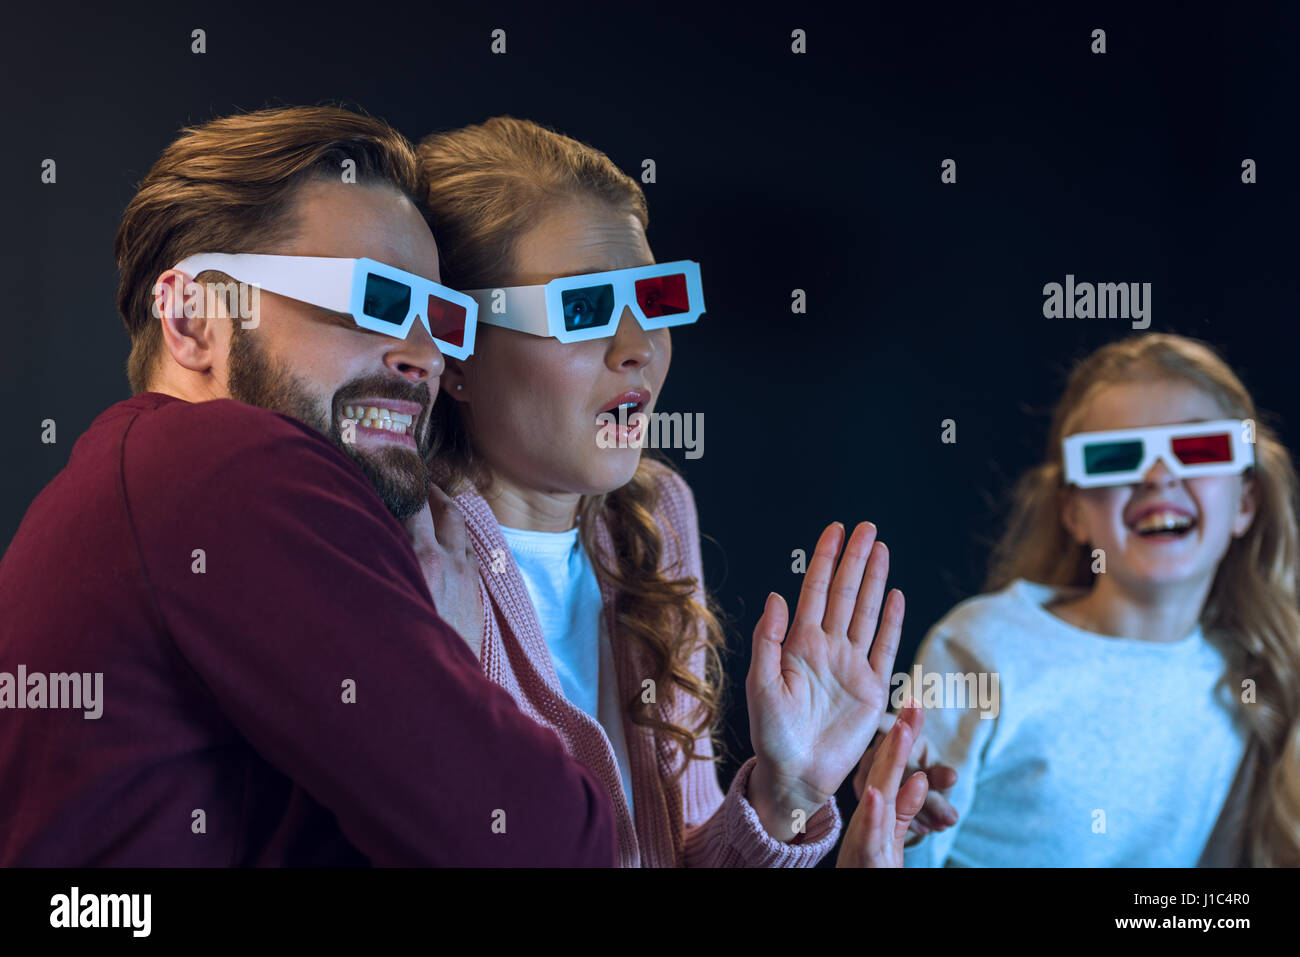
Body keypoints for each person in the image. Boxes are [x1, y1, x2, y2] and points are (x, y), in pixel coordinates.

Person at [0, 106, 617, 866]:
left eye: (443, 318)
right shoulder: (223, 461)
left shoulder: (140, 478)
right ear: (193, 317)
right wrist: (458, 652)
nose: (423, 354)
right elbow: (546, 842)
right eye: (375, 299)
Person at [416, 117, 930, 866]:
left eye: (653, 299)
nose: (638, 347)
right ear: (455, 350)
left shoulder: (652, 517)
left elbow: (676, 852)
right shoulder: (408, 549)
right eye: (585, 308)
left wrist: (788, 793)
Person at [902, 333, 1300, 867]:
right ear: (1073, 512)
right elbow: (906, 849)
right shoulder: (983, 647)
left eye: (1198, 449)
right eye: (1115, 456)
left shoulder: (1252, 682)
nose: (1159, 476)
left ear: (1245, 503)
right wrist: (897, 817)